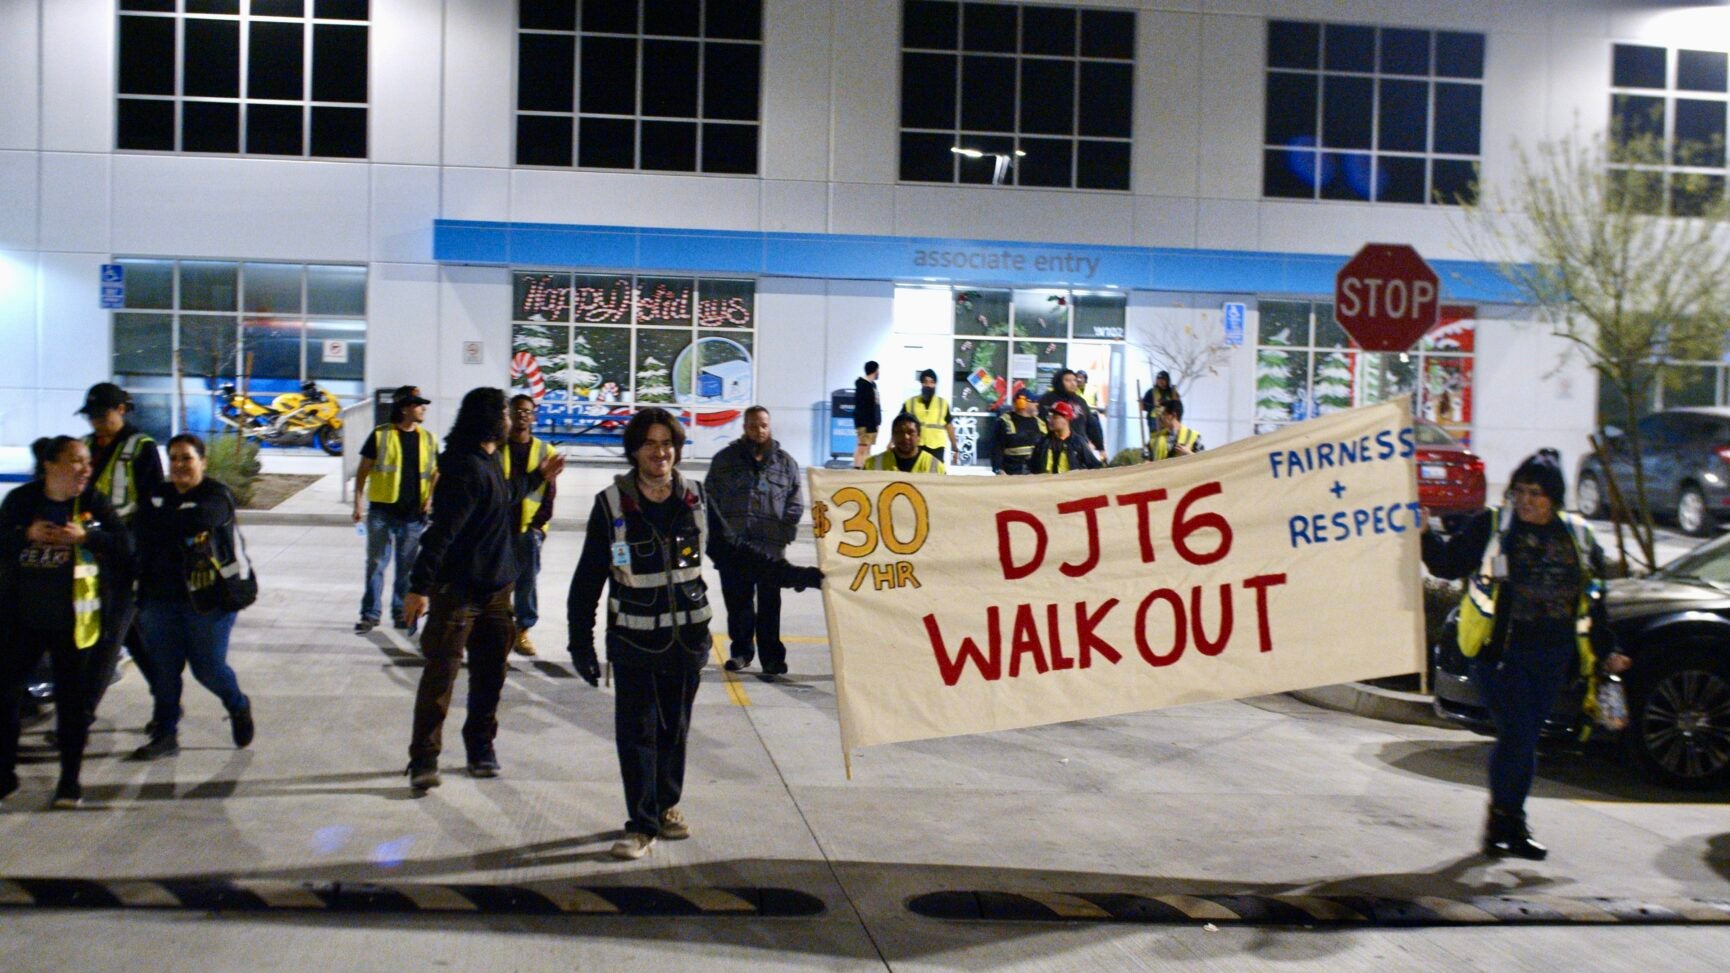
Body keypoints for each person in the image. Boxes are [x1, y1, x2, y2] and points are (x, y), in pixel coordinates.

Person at [566, 408, 821, 860]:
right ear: (634, 450)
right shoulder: (610, 505)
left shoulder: (696, 500)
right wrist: (580, 642)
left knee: (675, 731)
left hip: (686, 642)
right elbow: (588, 579)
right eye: (650, 443)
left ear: (677, 449)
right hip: (633, 642)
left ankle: (667, 806)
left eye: (667, 443)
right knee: (637, 733)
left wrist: (797, 574)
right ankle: (641, 823)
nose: (660, 452)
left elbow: (738, 554)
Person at [1420, 449, 1631, 860]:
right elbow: (1448, 564)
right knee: (1517, 735)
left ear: (1554, 497)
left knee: (1526, 740)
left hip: (1553, 657)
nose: (1526, 500)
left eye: (1536, 493)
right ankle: (1507, 821)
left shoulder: (1578, 536)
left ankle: (1506, 823)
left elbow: (1593, 600)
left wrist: (1609, 650)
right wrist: (1424, 533)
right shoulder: (1495, 526)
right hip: (1500, 656)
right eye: (1520, 491)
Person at [401, 387, 564, 791]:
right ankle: (424, 758)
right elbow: (440, 533)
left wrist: (538, 477)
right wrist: (419, 587)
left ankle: (480, 749)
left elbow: (504, 498)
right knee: (441, 677)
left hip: (497, 593)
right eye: (507, 414)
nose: (514, 421)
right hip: (459, 593)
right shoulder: (462, 466)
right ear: (491, 418)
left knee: (491, 677)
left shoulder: (490, 459)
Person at [0, 436, 132, 808]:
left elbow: (125, 546)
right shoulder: (22, 502)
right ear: (50, 465)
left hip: (74, 625)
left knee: (73, 707)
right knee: (6, 699)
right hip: (21, 622)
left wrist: (86, 535)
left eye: (87, 462)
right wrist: (24, 533)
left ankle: (69, 782)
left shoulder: (91, 503)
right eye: (76, 461)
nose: (86, 469)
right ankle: (5, 776)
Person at [130, 434, 257, 762]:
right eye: (173, 458)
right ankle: (165, 732)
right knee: (164, 670)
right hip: (159, 598)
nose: (179, 465)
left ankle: (238, 705)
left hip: (208, 599)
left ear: (203, 462)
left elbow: (198, 520)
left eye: (186, 458)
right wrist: (165, 523)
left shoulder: (216, 495)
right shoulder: (159, 494)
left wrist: (161, 522)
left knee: (208, 669)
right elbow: (140, 525)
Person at [78, 381, 164, 730]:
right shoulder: (83, 447)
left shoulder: (139, 447)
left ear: (122, 411)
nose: (96, 422)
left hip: (125, 557)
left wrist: (145, 558)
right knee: (135, 639)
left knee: (107, 637)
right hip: (90, 554)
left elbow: (152, 506)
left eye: (102, 415)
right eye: (91, 416)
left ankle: (78, 717)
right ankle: (168, 703)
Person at [707, 406, 803, 676]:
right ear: (744, 427)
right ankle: (741, 653)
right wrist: (721, 539)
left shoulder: (786, 464)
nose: (758, 430)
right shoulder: (725, 461)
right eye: (752, 425)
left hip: (770, 550)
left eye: (763, 425)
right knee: (738, 604)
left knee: (770, 605)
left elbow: (795, 502)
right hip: (735, 549)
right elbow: (710, 500)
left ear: (769, 427)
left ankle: (772, 658)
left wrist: (784, 532)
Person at [354, 385, 438, 634]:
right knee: (376, 565)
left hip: (413, 516)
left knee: (406, 569)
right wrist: (358, 502)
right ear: (404, 408)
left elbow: (436, 472)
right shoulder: (380, 436)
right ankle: (370, 614)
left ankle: (401, 613)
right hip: (382, 512)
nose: (423, 408)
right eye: (418, 404)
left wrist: (430, 498)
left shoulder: (428, 438)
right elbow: (362, 470)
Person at [502, 395, 557, 657]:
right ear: (509, 414)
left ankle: (522, 630)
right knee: (498, 581)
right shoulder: (498, 448)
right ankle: (501, 626)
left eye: (527, 411)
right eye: (517, 411)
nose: (522, 415)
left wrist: (537, 526)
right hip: (499, 529)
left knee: (526, 582)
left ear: (533, 416)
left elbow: (549, 493)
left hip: (529, 530)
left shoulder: (545, 451)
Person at [1037, 369, 1104, 454]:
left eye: (1074, 380)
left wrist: (1100, 447)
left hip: (1079, 447)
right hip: (1054, 448)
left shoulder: (1080, 401)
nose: (1073, 383)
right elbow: (1041, 424)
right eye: (1068, 380)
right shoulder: (1048, 400)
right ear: (1059, 382)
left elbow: (1091, 425)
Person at [1029, 402, 1103, 474]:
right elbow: (1032, 467)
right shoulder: (1043, 442)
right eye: (1049, 417)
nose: (1050, 421)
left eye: (1055, 417)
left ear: (1066, 419)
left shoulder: (1078, 442)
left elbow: (1094, 466)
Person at [900, 369, 956, 463]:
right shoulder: (910, 402)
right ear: (921, 383)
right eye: (925, 382)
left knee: (935, 475)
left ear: (935, 384)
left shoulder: (943, 403)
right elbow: (899, 424)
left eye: (932, 382)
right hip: (916, 444)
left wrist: (955, 446)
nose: (928, 385)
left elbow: (949, 426)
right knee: (915, 474)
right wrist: (893, 442)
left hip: (936, 446)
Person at [864, 413, 947, 474]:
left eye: (911, 432)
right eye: (900, 432)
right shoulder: (871, 465)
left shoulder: (936, 467)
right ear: (892, 436)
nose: (905, 437)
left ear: (919, 436)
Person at [992, 390, 1046, 475]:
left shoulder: (1040, 423)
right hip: (1011, 473)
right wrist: (999, 469)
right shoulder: (1005, 422)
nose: (1037, 404)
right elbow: (996, 449)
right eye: (1034, 402)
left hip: (1034, 474)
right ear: (1022, 403)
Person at [852, 361, 881, 470]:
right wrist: (864, 423)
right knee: (862, 446)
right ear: (875, 370)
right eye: (878, 370)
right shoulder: (863, 385)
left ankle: (865, 466)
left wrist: (877, 422)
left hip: (873, 422)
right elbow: (861, 406)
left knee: (868, 447)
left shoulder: (873, 385)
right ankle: (857, 467)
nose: (879, 372)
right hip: (865, 423)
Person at [1141, 371, 1179, 442]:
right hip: (1154, 420)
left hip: (1169, 420)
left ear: (1167, 380)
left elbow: (1177, 405)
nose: (1160, 382)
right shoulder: (1151, 392)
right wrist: (1151, 405)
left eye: (1163, 379)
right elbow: (1144, 407)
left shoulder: (1172, 392)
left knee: (1170, 438)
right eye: (1159, 379)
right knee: (1156, 440)